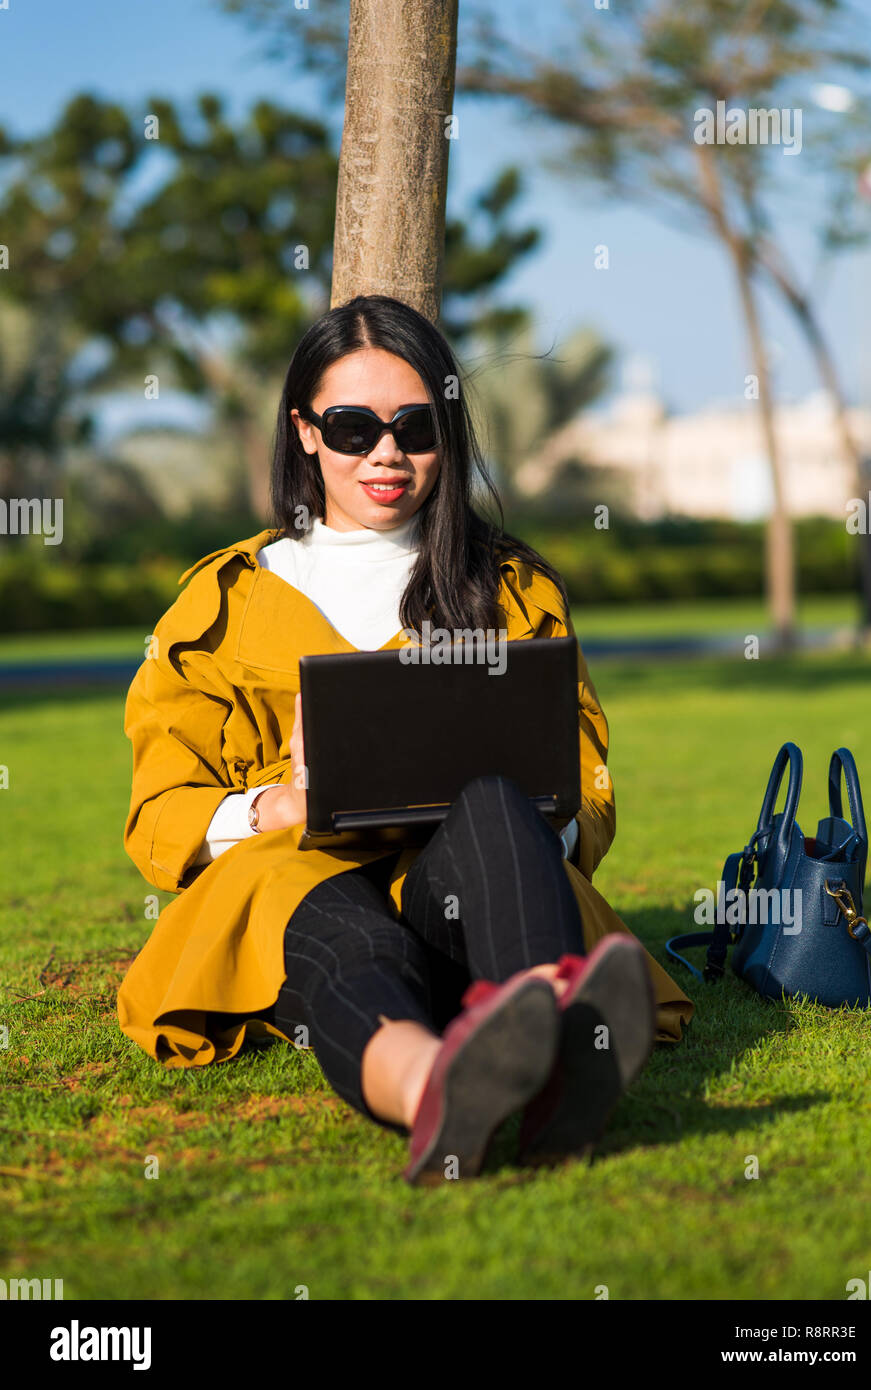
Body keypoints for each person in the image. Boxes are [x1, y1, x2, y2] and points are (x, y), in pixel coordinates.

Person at [118, 294, 693, 1185]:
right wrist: (279, 803)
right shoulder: (220, 602)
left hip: (472, 893)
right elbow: (162, 808)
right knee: (339, 927)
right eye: (352, 427)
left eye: (415, 427)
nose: (386, 453)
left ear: (447, 434)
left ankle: (547, 1046)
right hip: (297, 878)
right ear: (306, 432)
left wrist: (543, 823)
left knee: (498, 808)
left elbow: (584, 781)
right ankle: (436, 1087)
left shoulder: (509, 590)